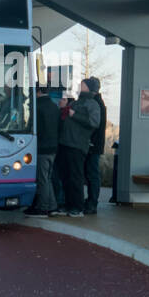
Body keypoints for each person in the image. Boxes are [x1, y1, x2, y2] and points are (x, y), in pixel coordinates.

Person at [56, 82, 100, 217]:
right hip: (65, 143)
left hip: (77, 145)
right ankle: (67, 205)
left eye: (83, 84)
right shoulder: (76, 102)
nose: (80, 86)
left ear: (89, 88)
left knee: (76, 177)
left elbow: (94, 122)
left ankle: (77, 207)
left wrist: (74, 114)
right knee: (66, 176)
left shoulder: (92, 104)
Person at [24, 83, 60, 216]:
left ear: (37, 91)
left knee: (42, 179)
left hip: (41, 148)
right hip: (53, 148)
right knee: (48, 177)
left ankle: (43, 207)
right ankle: (52, 206)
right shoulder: (54, 106)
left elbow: (34, 129)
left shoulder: (37, 107)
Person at [82, 76, 107, 214]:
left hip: (92, 145)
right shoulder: (99, 102)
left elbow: (93, 125)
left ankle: (92, 203)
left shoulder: (94, 103)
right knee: (92, 173)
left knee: (92, 174)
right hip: (95, 145)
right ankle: (91, 201)